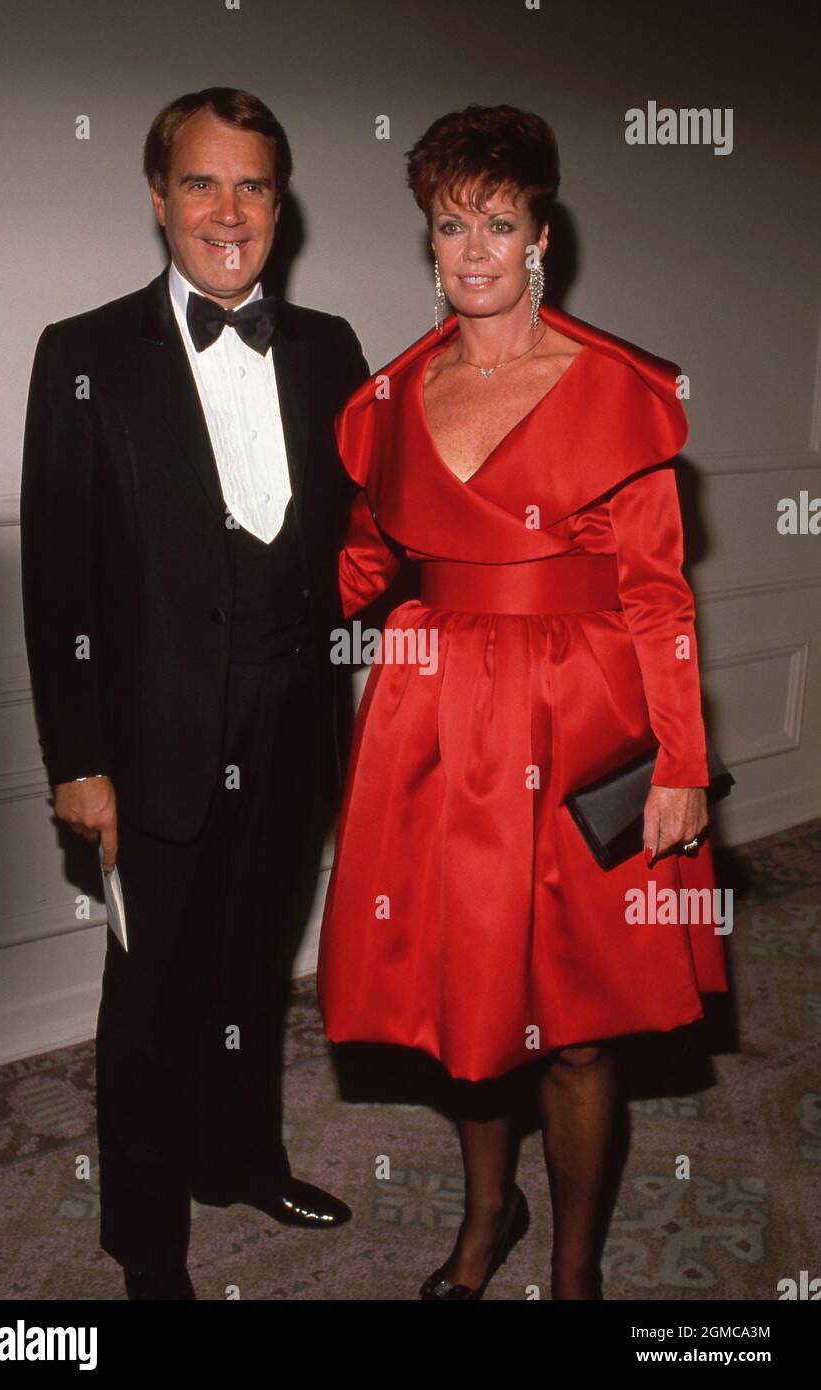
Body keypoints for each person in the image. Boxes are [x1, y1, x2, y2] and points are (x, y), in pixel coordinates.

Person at [316, 104, 729, 1301]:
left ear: (541, 231)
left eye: (499, 221)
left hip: (578, 714)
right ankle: (485, 1216)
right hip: (433, 723)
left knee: (582, 1025)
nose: (474, 248)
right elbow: (353, 568)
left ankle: (576, 1269)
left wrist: (681, 765)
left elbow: (658, 596)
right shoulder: (387, 401)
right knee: (469, 1005)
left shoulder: (616, 393)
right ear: (427, 240)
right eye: (450, 225)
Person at [21, 87, 367, 1300]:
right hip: (151, 744)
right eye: (203, 184)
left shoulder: (328, 346)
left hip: (294, 734)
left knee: (252, 970)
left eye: (255, 186)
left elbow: (364, 545)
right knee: (150, 997)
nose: (230, 211)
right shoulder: (83, 353)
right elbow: (57, 580)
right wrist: (77, 758)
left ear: (282, 201)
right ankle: (145, 1239)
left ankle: (244, 1156)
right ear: (160, 197)